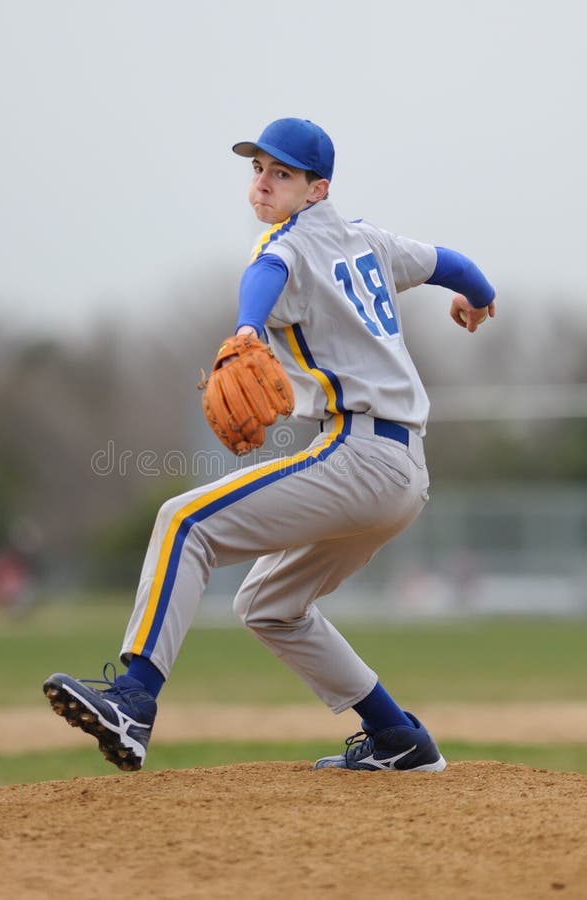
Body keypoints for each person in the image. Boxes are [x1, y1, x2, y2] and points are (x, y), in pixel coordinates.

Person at [44, 117, 496, 773]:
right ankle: (399, 738)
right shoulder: (369, 240)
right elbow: (453, 265)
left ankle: (133, 700)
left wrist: (248, 329)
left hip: (360, 456)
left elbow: (266, 275)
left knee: (184, 523)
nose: (263, 181)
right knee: (267, 605)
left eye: (281, 173)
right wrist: (477, 299)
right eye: (257, 169)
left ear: (316, 189)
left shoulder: (287, 248)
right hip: (403, 475)